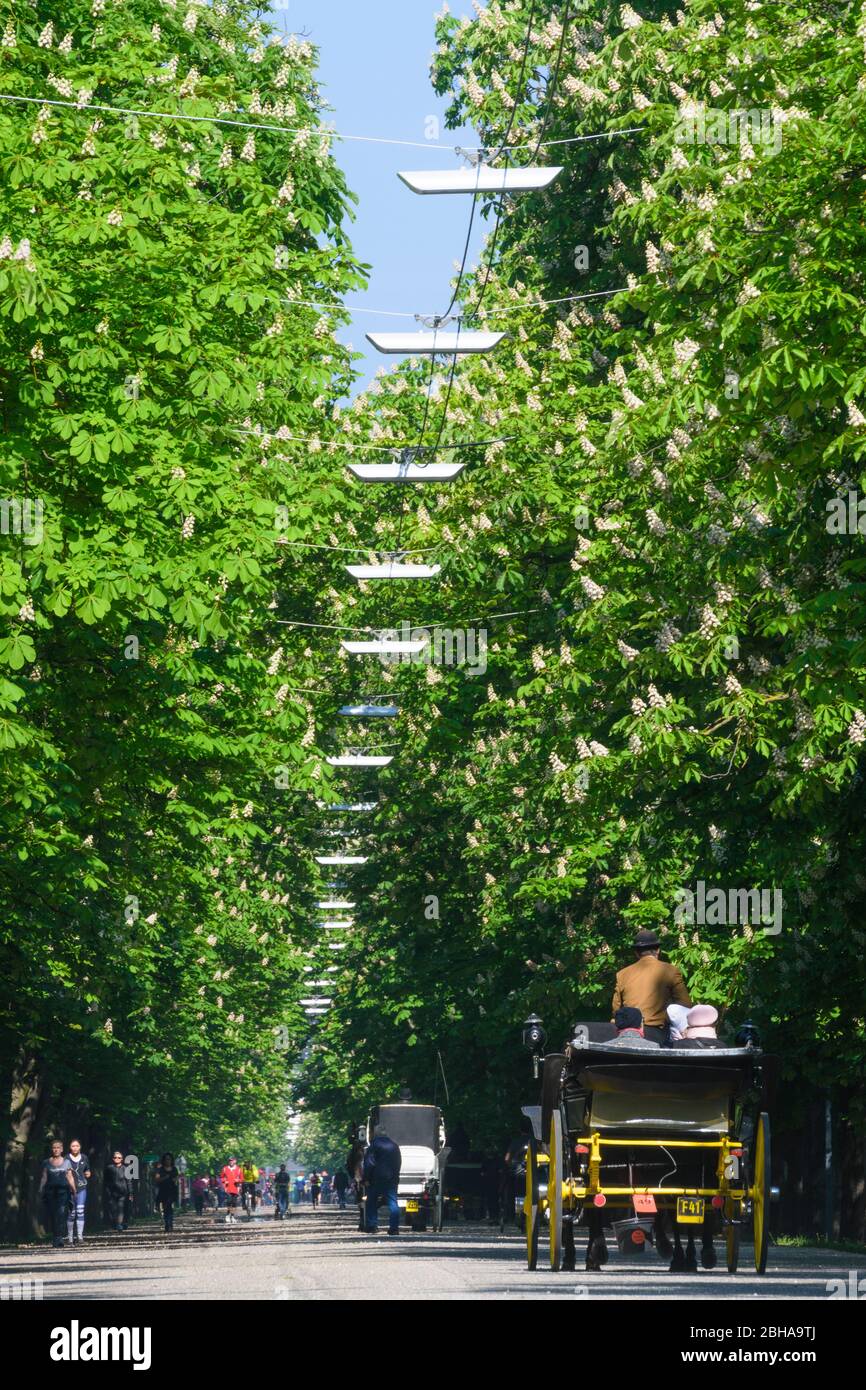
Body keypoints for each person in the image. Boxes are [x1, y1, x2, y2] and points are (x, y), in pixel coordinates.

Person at [611, 929, 691, 1043]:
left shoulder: (622, 974)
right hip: (657, 1033)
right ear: (658, 950)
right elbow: (685, 1005)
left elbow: (616, 1010)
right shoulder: (671, 971)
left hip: (627, 1032)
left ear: (636, 953)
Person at [363, 1133, 402, 1236]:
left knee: (371, 1201)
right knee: (393, 1203)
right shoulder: (394, 1145)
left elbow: (369, 1162)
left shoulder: (374, 1145)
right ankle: (394, 1228)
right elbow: (399, 1162)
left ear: (375, 1135)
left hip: (376, 1178)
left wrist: (366, 1178)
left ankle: (372, 1226)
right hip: (391, 1179)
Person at [40, 1141, 76, 1248]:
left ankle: (59, 1238)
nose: (56, 1149)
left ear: (62, 1149)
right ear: (51, 1149)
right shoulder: (46, 1162)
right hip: (50, 1192)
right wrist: (40, 1189)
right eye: (54, 1148)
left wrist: (74, 1190)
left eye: (58, 1148)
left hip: (63, 1192)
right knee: (52, 1215)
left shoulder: (67, 1162)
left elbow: (70, 1177)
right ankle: (55, 1237)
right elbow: (44, 1177)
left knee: (61, 1214)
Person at [66, 1139, 91, 1246]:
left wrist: (88, 1174)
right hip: (69, 1189)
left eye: (77, 1146)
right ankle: (70, 1238)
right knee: (72, 1213)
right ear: (70, 1147)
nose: (75, 1148)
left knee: (80, 1210)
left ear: (80, 1147)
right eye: (73, 1146)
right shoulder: (66, 1159)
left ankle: (80, 1238)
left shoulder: (84, 1157)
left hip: (82, 1188)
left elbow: (87, 1170)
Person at [103, 1151, 132, 1232]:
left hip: (123, 1193)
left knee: (120, 1207)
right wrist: (107, 1191)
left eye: (119, 1158)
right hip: (112, 1193)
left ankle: (119, 1224)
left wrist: (130, 1193)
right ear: (113, 1159)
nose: (117, 1159)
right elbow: (106, 1181)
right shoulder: (109, 1168)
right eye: (115, 1157)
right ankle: (116, 1223)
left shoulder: (126, 1169)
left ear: (122, 1159)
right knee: (113, 1209)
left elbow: (129, 1181)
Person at [154, 1153, 179, 1233]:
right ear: (164, 1160)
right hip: (163, 1190)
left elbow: (176, 1179)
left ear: (171, 1160)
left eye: (169, 1159)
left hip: (172, 1190)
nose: (168, 1160)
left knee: (169, 1206)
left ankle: (170, 1223)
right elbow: (157, 1179)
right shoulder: (160, 1169)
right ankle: (167, 1223)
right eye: (166, 1159)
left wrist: (175, 1180)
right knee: (166, 1207)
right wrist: (165, 1178)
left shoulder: (174, 1169)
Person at [220, 1157, 243, 1223]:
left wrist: (238, 1180)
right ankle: (227, 1215)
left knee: (234, 1203)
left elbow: (242, 1179)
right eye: (229, 1160)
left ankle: (232, 1216)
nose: (230, 1162)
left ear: (235, 1161)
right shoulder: (225, 1168)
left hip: (236, 1188)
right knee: (229, 1201)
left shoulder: (238, 1169)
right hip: (228, 1188)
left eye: (232, 1160)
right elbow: (221, 1177)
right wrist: (225, 1180)